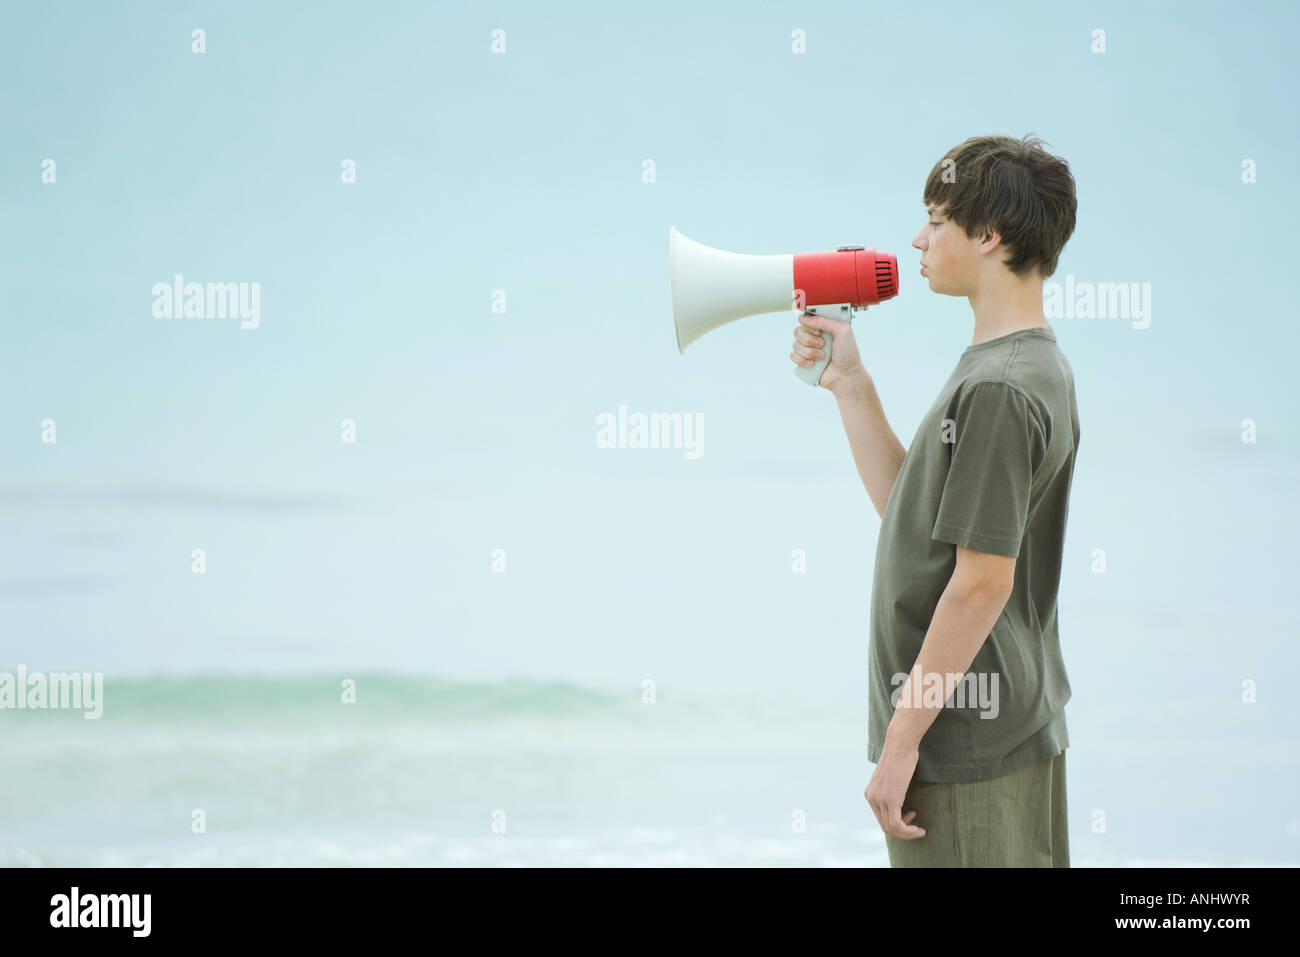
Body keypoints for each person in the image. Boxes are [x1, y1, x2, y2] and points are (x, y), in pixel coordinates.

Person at [792, 134, 1080, 867]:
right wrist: (849, 383)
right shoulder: (1026, 363)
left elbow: (981, 580)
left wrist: (901, 742)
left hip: (965, 745)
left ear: (988, 235)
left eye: (936, 220)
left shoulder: (998, 388)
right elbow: (920, 522)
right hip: (1005, 720)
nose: (917, 239)